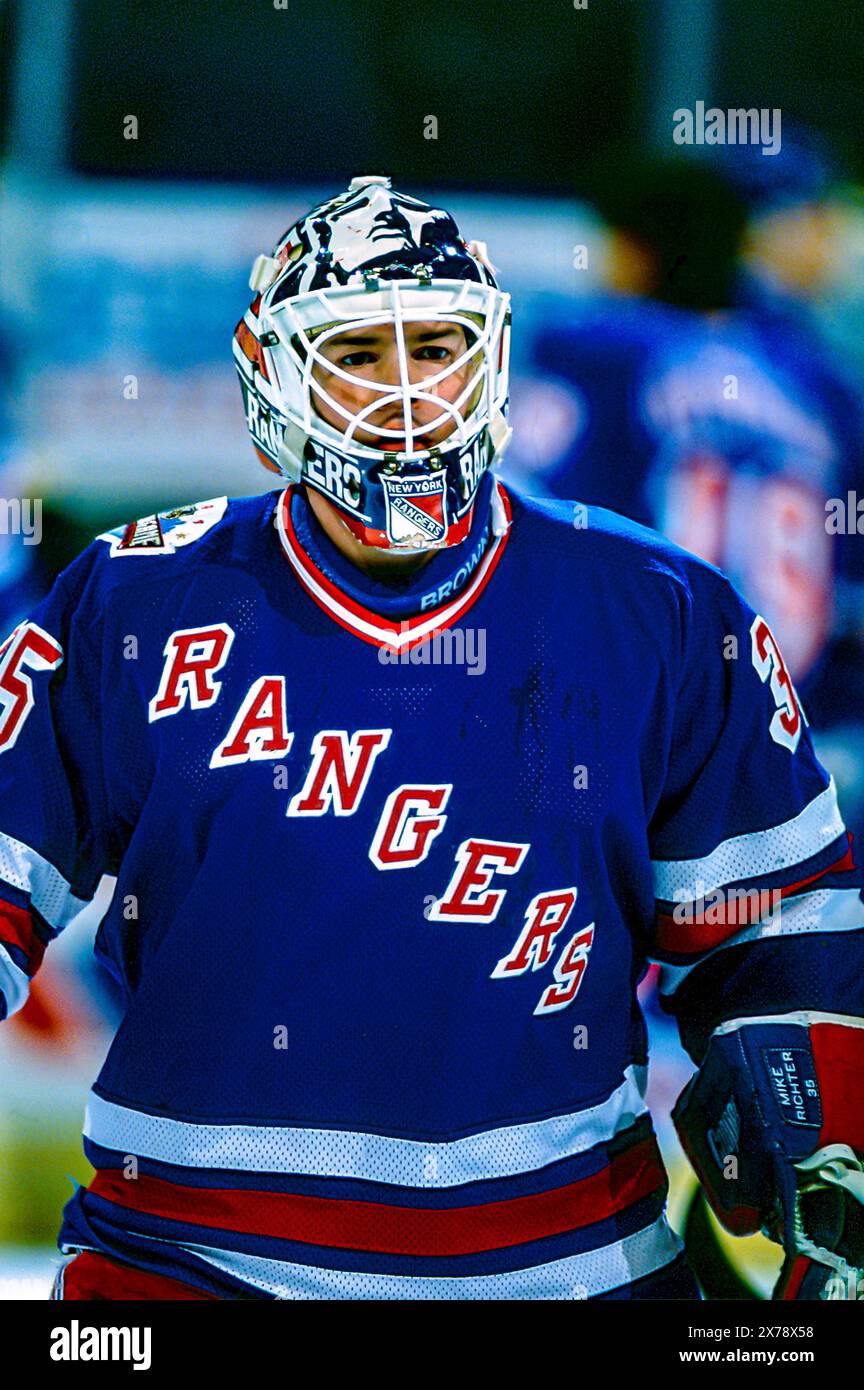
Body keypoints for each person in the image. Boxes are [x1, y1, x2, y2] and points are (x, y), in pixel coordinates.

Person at [1, 177, 862, 1301]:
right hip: (194, 1267)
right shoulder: (134, 600)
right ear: (273, 373)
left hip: (575, 1271)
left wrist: (821, 1125)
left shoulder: (664, 609)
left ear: (494, 361)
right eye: (358, 353)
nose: (406, 396)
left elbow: (780, 929)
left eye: (438, 347)